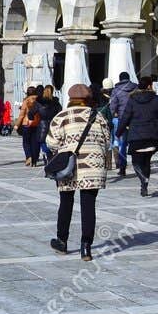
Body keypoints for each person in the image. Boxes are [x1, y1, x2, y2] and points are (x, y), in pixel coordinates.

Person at [47, 85, 111, 261]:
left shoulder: (62, 117)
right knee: (88, 205)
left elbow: (51, 142)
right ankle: (86, 247)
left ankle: (62, 241)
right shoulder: (98, 117)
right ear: (88, 98)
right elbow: (107, 142)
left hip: (69, 166)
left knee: (66, 202)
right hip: (93, 167)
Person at [117, 74, 158, 196]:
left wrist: (119, 132)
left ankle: (143, 179)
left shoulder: (132, 100)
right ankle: (144, 186)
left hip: (136, 138)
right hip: (153, 137)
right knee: (146, 161)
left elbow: (125, 118)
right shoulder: (157, 100)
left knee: (136, 162)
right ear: (150, 86)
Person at [108, 72, 135, 178]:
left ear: (119, 79)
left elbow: (113, 106)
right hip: (134, 118)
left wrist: (111, 116)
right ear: (128, 78)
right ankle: (137, 164)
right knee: (135, 141)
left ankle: (122, 168)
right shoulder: (135, 87)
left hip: (121, 118)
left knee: (122, 144)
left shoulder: (116, 90)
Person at [16, 86, 43, 166]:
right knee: (35, 142)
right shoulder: (39, 100)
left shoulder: (26, 101)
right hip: (37, 123)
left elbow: (22, 115)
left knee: (26, 142)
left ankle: (29, 157)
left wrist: (17, 124)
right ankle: (34, 161)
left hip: (26, 123)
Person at [36, 84, 62, 161]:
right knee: (52, 140)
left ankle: (46, 152)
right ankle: (50, 154)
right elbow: (60, 112)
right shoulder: (56, 102)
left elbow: (32, 112)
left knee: (42, 140)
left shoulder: (39, 102)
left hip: (42, 124)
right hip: (53, 124)